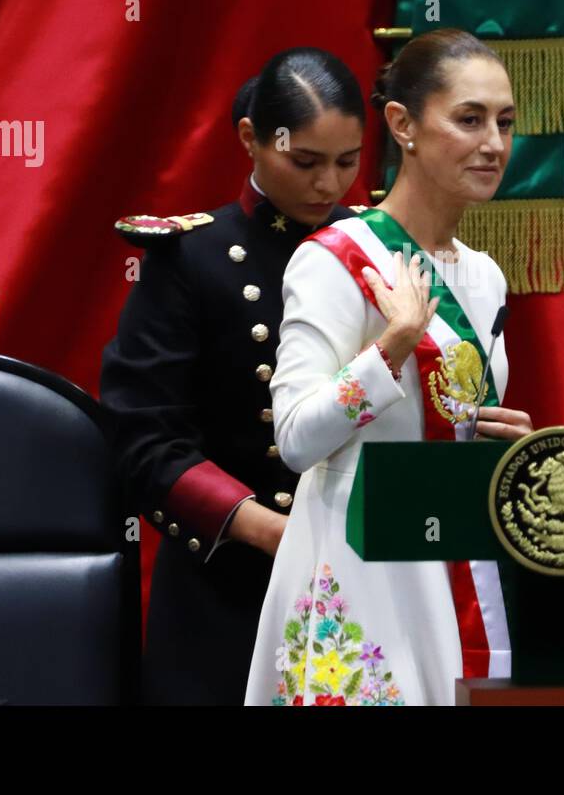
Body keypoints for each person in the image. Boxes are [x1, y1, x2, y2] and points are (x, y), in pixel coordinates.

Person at [244, 29, 535, 706]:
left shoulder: (485, 277)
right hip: (360, 563)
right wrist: (393, 345)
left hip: (457, 564)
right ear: (402, 125)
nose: (493, 142)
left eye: (505, 121)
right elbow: (295, 439)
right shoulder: (334, 259)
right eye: (469, 119)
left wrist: (500, 449)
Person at [99, 47, 367, 704]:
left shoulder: (376, 252)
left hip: (360, 576)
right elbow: (143, 444)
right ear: (250, 137)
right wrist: (268, 529)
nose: (327, 186)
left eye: (347, 162)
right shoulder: (193, 258)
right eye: (304, 161)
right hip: (226, 587)